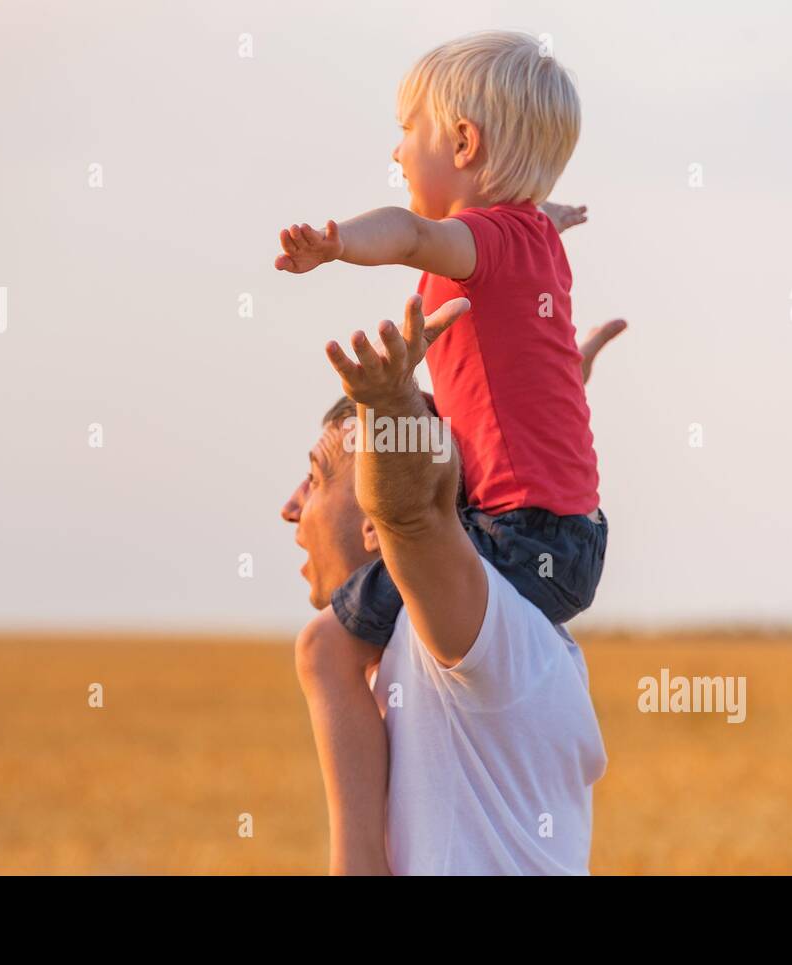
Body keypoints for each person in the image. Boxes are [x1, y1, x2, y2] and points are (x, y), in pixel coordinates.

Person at [274, 30, 611, 873]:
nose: (395, 151)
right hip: (565, 533)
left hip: (520, 536)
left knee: (323, 646)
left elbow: (412, 234)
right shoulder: (533, 238)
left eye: (406, 132)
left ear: (463, 143)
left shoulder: (481, 241)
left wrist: (337, 242)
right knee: (332, 643)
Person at [283, 294, 626, 874]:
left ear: (376, 521)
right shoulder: (443, 646)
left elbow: (417, 516)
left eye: (315, 478)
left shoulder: (474, 641)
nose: (291, 507)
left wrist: (389, 404)